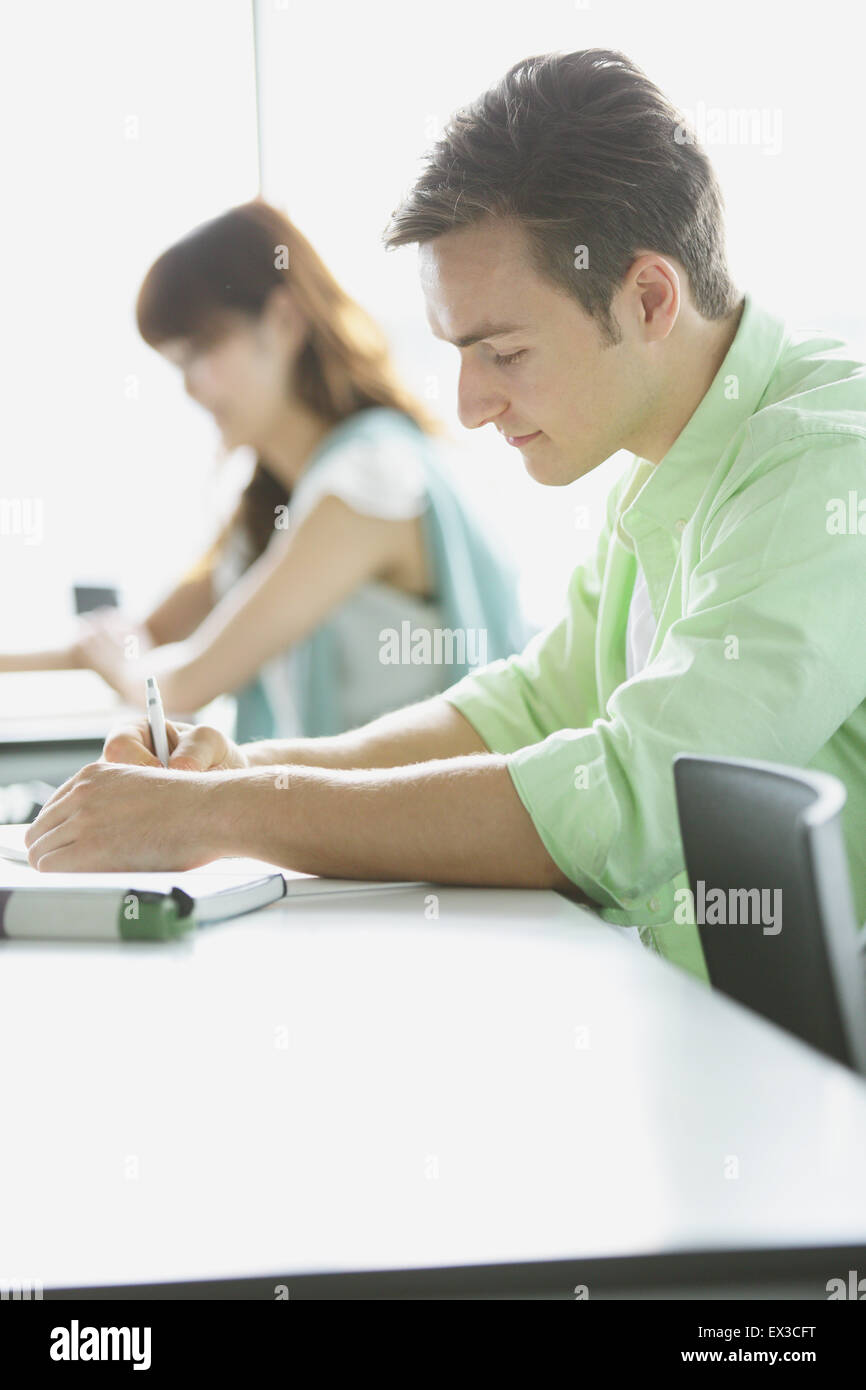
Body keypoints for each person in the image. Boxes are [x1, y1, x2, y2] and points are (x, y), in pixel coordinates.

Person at [23, 50, 866, 988]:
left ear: (650, 298)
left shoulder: (829, 463)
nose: (468, 406)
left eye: (503, 351)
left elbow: (631, 797)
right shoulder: (657, 472)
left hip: (803, 1073)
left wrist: (221, 813)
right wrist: (237, 773)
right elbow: (523, 709)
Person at [0, 200, 526, 740]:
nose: (191, 386)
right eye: (177, 364)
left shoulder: (369, 483)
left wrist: (122, 665)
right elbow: (148, 634)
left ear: (283, 320)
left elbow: (185, 681)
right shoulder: (281, 498)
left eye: (202, 350)